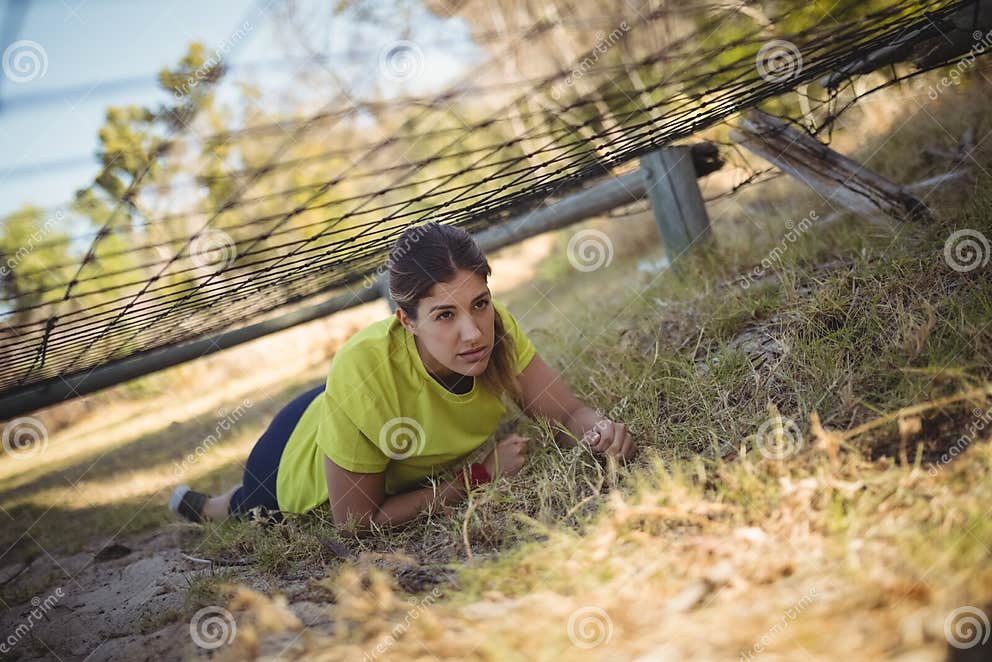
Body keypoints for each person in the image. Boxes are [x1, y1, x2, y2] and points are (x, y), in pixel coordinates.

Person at [169, 222, 635, 532]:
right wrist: (477, 477)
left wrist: (599, 431)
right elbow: (355, 524)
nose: (473, 332)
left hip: (340, 405)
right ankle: (201, 505)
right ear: (407, 321)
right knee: (239, 508)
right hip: (288, 462)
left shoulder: (496, 329)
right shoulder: (363, 368)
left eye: (480, 303)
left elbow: (568, 411)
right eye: (445, 314)